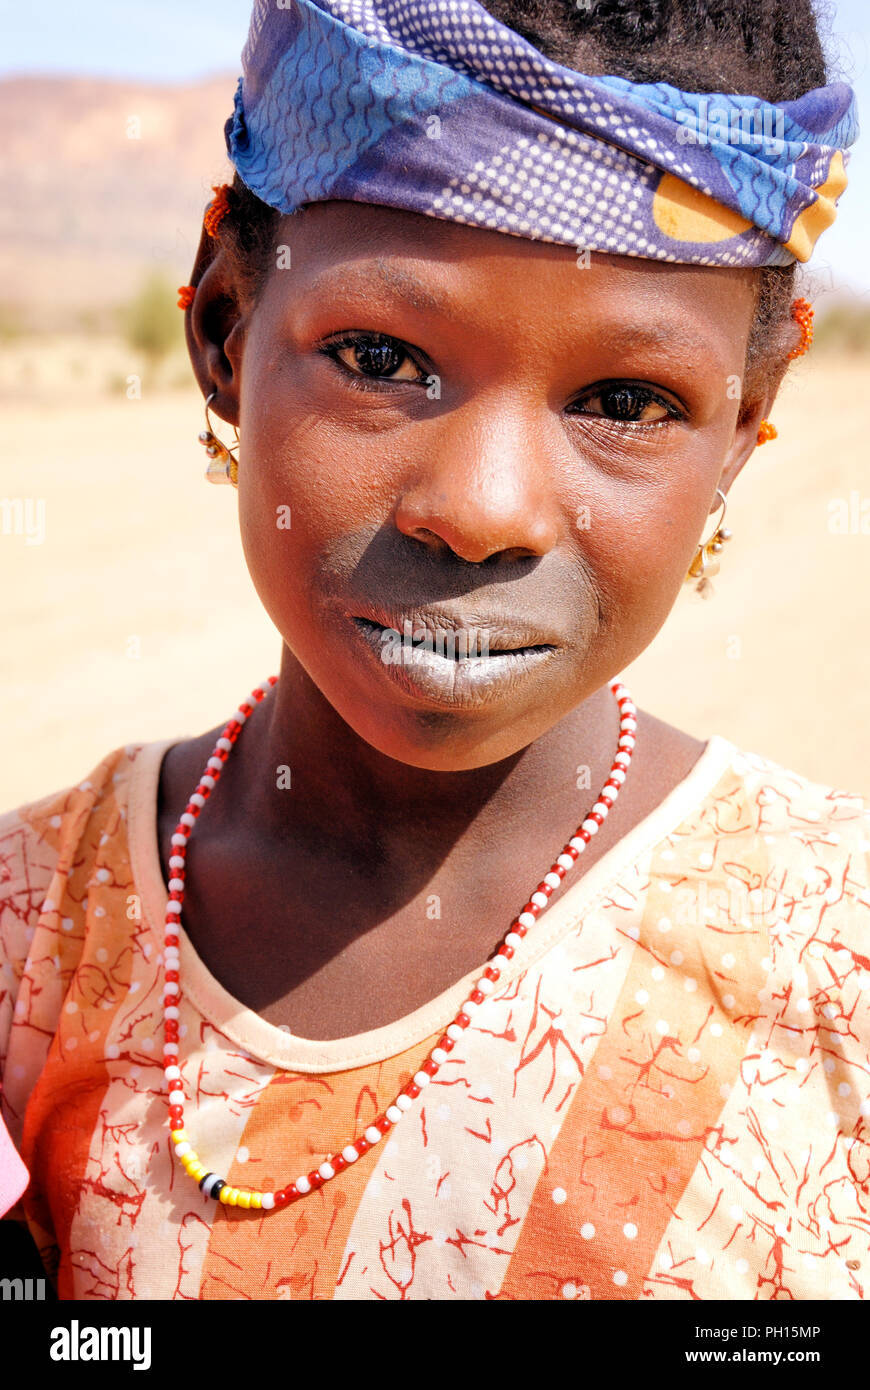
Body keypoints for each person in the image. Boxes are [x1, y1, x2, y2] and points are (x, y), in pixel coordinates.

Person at [0, 0, 865, 1301]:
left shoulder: (831, 964)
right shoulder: (34, 940)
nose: (480, 509)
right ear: (224, 326)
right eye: (381, 357)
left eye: (625, 401)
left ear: (744, 422)